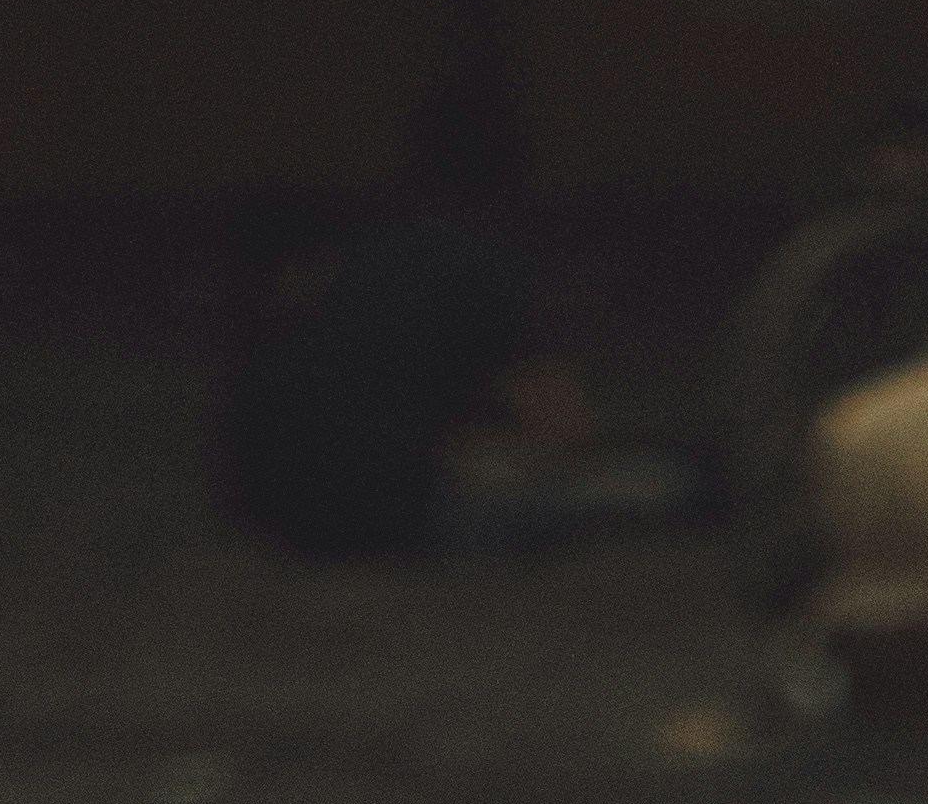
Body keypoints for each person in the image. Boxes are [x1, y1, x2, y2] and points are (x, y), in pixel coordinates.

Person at [220, 87, 704, 567]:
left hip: (274, 513)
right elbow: (561, 428)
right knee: (653, 481)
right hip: (395, 514)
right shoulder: (482, 268)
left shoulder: (349, 260)